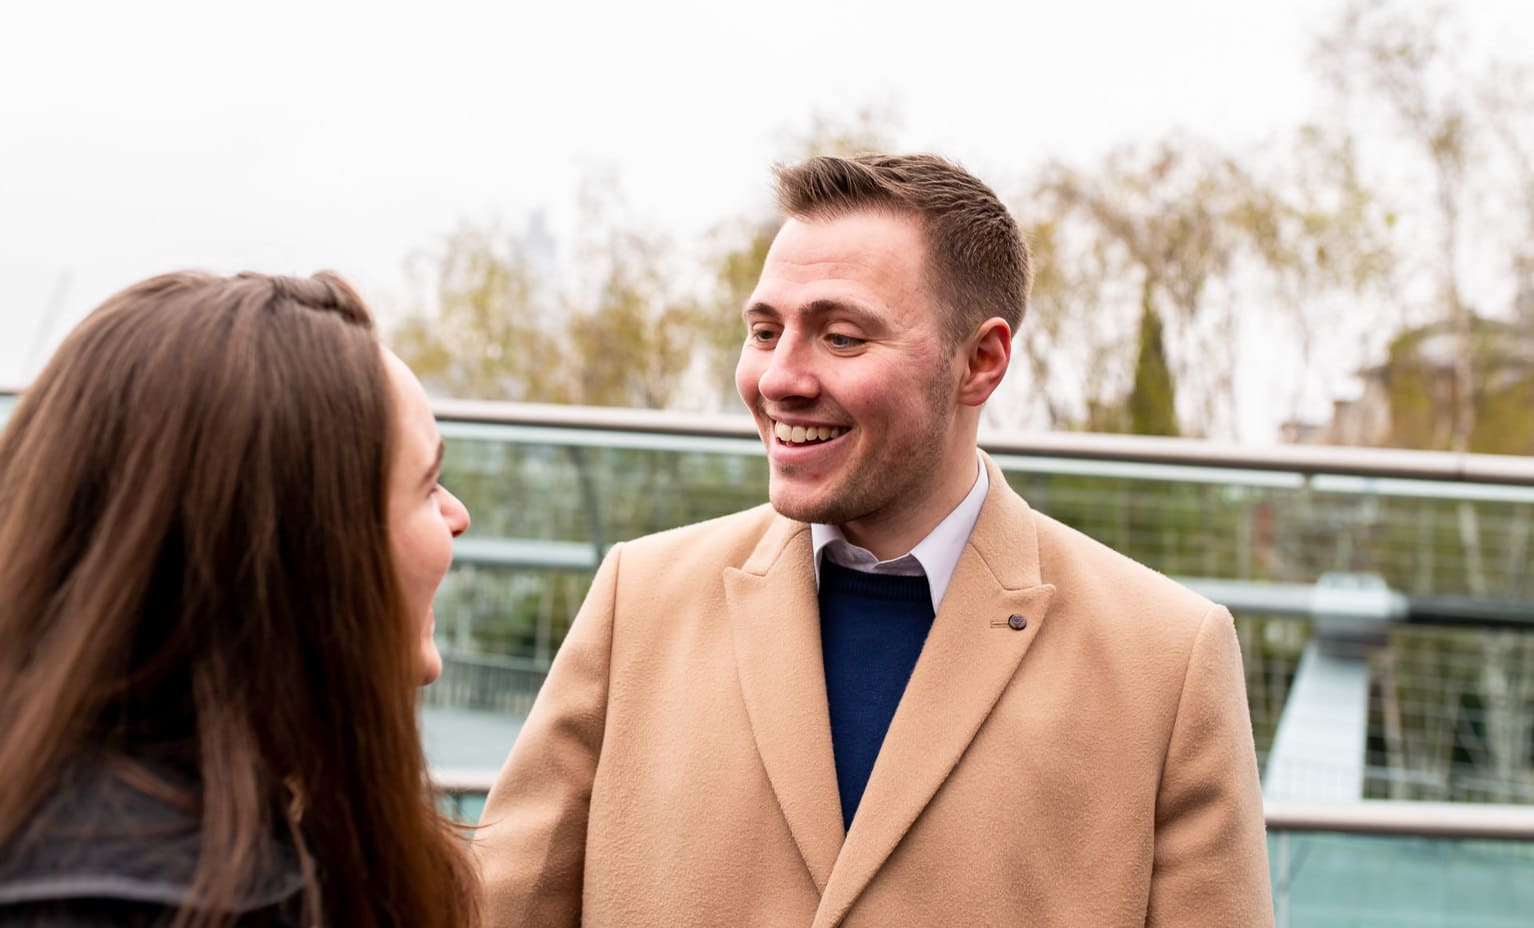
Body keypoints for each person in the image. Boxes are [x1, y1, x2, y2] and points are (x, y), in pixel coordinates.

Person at [476, 154, 1273, 927]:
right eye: (763, 331)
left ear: (981, 362)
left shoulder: (1168, 658)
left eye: (842, 337)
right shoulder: (636, 600)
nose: (779, 377)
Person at [0, 272, 479, 927]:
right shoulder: (236, 899)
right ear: (307, 553)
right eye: (427, 486)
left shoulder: (65, 834)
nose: (458, 515)